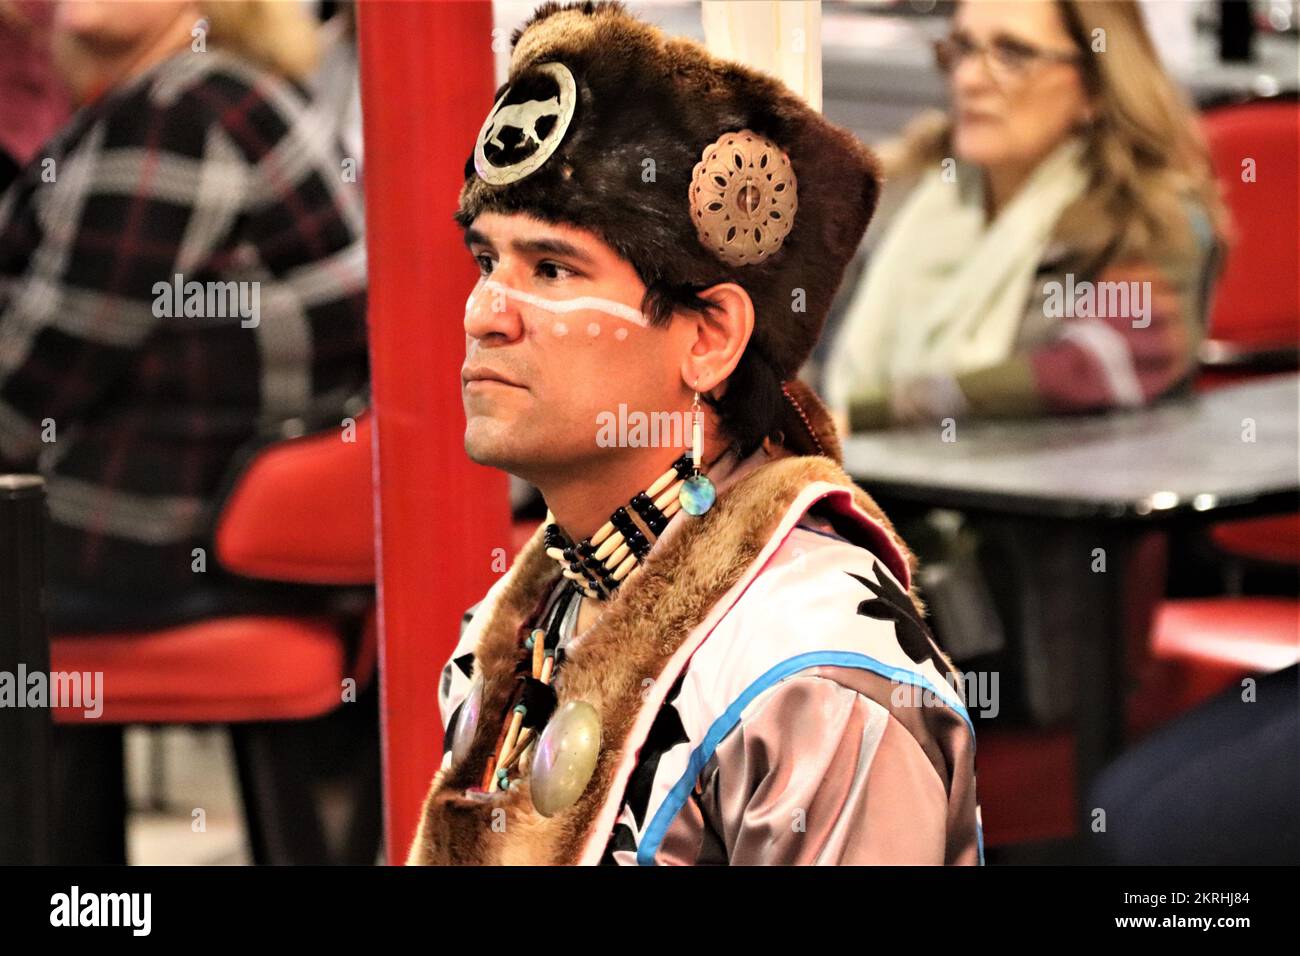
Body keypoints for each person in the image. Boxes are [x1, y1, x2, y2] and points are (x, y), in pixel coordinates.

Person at [406, 0, 982, 866]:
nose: (485, 312)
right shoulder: (525, 618)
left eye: (552, 270)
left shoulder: (814, 681)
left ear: (709, 337)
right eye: (488, 262)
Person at [0, 0, 369, 632]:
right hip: (199, 520)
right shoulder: (225, 84)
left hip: (148, 533)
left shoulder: (178, 111)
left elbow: (30, 385)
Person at [823, 0, 1226, 430]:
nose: (969, 78)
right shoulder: (902, 189)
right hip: (844, 482)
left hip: (1030, 491)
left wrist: (863, 418)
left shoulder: (1150, 221)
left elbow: (1085, 370)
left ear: (1095, 84)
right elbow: (803, 353)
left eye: (1013, 54)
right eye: (962, 48)